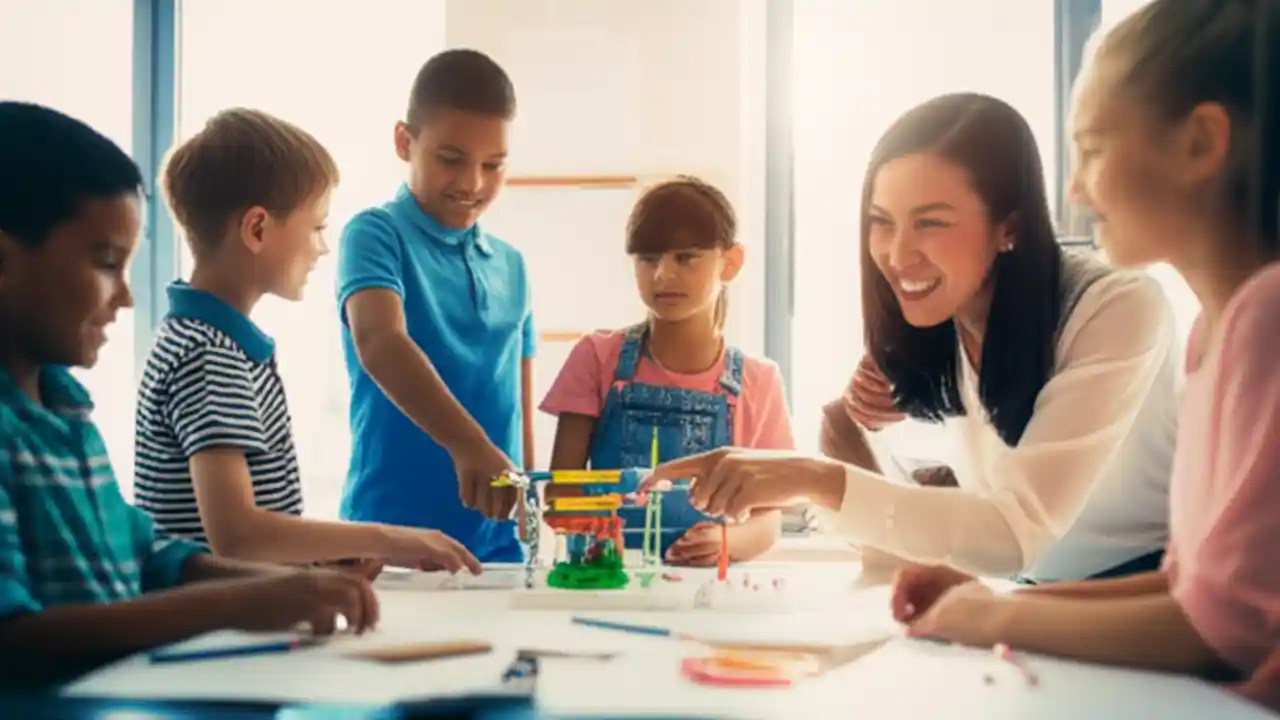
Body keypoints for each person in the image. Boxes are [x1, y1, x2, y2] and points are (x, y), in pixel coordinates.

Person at [888, 0, 1280, 684]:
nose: (1072, 187)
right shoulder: (1213, 333)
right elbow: (1190, 587)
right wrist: (990, 601)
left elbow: (1223, 630)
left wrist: (993, 620)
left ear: (1199, 143)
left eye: (1093, 150)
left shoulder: (1264, 317)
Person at [648, 93, 1179, 583]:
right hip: (1029, 597)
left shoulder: (1117, 307)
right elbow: (926, 534)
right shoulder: (940, 326)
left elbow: (1015, 533)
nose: (898, 256)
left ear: (1009, 226)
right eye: (882, 222)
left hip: (1143, 602)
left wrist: (814, 477)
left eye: (931, 223)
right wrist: (843, 449)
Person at [0, 101, 378, 684]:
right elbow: (12, 639)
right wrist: (241, 601)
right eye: (106, 264)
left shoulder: (68, 412)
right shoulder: (202, 351)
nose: (126, 298)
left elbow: (149, 555)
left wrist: (289, 584)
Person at [132, 108, 480, 577]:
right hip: (211, 618)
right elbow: (237, 535)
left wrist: (315, 561)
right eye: (316, 226)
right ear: (257, 228)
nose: (323, 246)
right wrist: (388, 537)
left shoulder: (210, 341)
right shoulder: (208, 355)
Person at [337, 49, 534, 561]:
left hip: (499, 548)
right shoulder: (375, 234)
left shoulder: (513, 264)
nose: (472, 183)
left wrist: (530, 510)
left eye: (493, 165)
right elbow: (380, 342)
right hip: (389, 541)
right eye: (451, 159)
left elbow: (517, 401)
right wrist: (469, 445)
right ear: (405, 142)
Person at [540, 177, 794, 564]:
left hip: (707, 587)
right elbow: (560, 492)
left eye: (685, 258)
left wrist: (727, 541)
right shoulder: (596, 357)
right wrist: (595, 535)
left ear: (730, 262)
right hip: (607, 578)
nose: (662, 274)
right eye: (648, 258)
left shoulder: (759, 380)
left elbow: (768, 518)